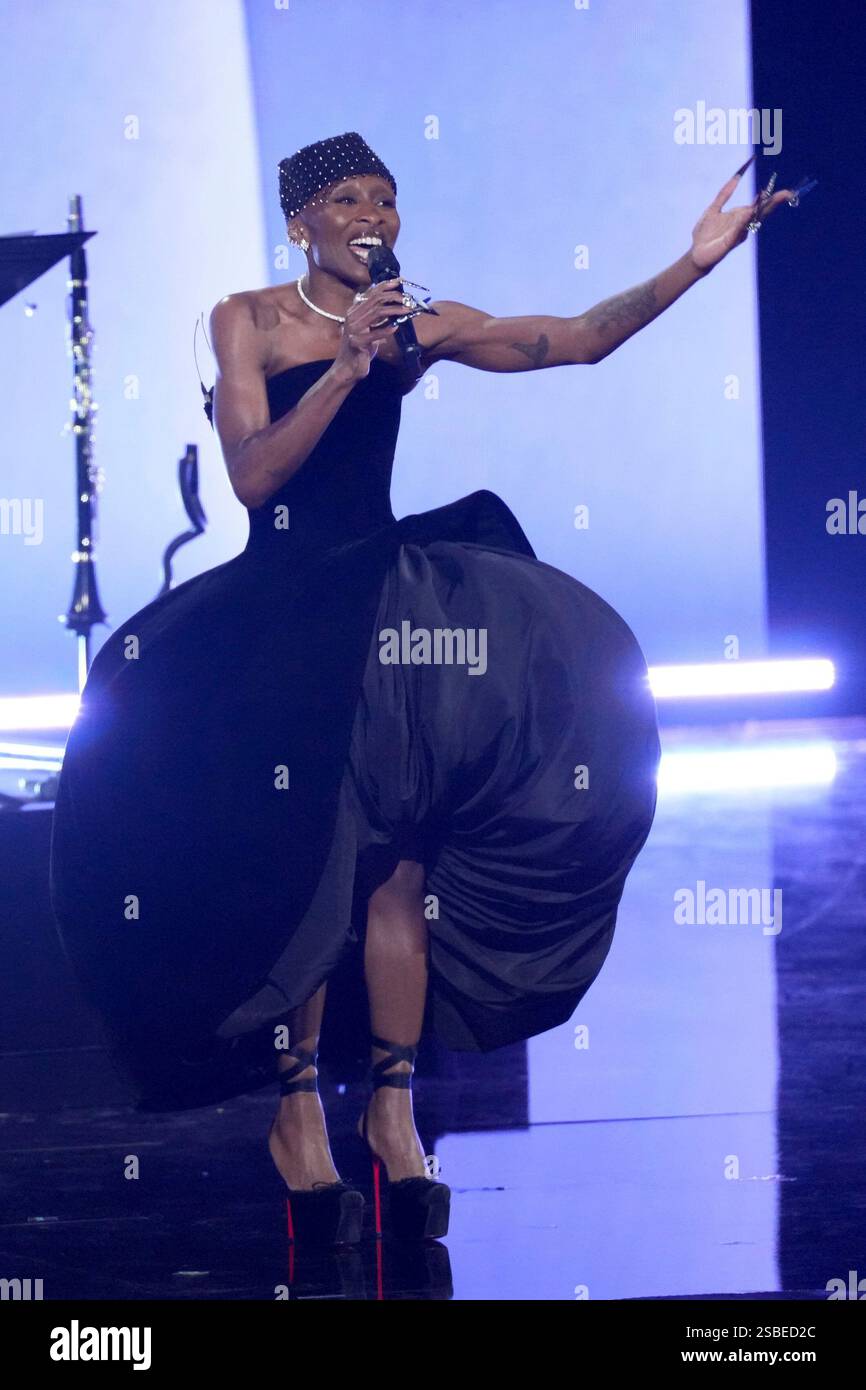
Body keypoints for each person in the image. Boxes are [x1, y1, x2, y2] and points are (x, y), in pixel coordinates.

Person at [49, 133, 792, 1244]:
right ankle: (298, 1114)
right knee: (310, 857)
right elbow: (252, 478)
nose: (374, 214)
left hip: (389, 608)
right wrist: (344, 368)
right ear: (300, 221)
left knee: (399, 868)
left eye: (387, 198)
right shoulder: (245, 320)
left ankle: (393, 1114)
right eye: (349, 197)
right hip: (276, 615)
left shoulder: (415, 323)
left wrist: (693, 261)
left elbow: (576, 339)